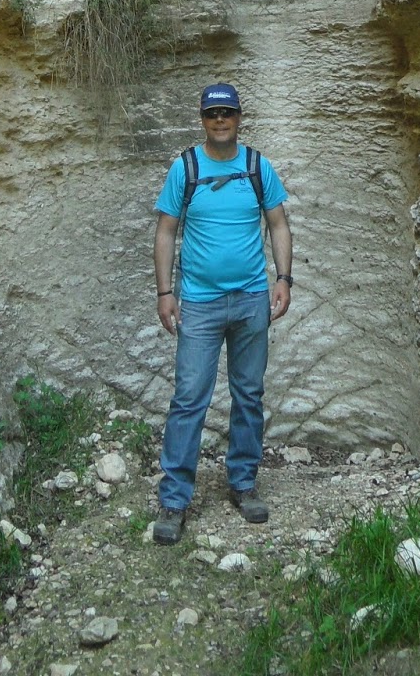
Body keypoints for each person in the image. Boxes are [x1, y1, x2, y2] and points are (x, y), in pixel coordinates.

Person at [151, 82, 292, 544]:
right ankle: (174, 500)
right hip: (199, 302)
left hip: (252, 299)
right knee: (190, 397)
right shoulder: (185, 167)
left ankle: (243, 482)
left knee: (248, 393)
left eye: (226, 113)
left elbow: (278, 224)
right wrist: (165, 291)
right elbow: (167, 231)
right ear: (202, 119)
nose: (220, 121)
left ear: (238, 117)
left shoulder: (257, 166)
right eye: (212, 114)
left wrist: (284, 279)